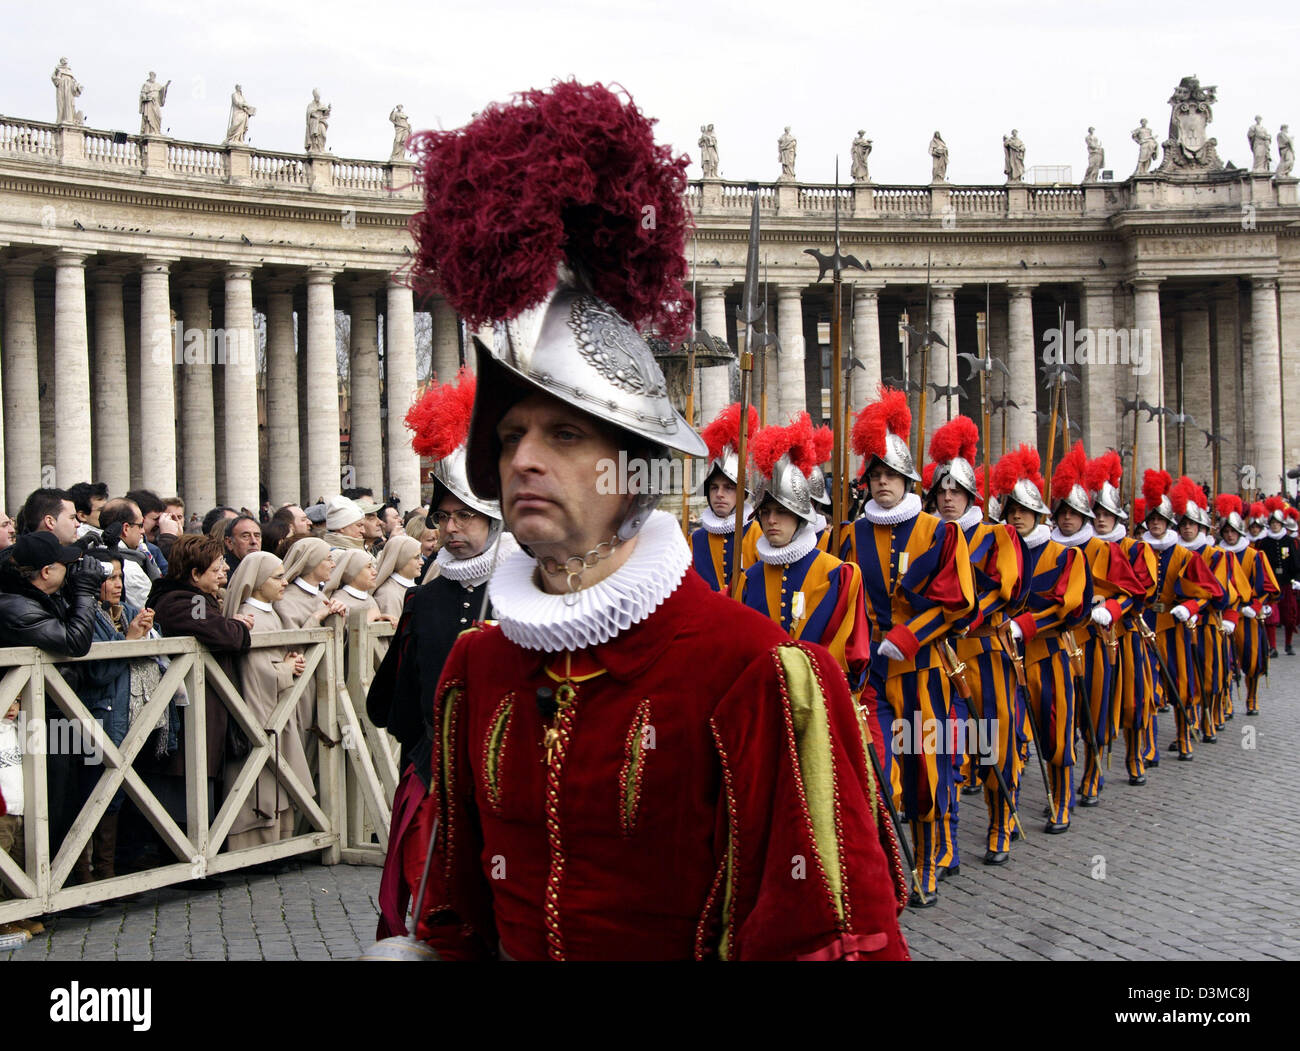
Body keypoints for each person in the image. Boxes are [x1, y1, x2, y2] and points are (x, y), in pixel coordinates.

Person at [392, 80, 908, 959]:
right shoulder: (477, 669)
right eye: (511, 434)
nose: (523, 458)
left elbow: (825, 940)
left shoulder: (757, 675)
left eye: (561, 433)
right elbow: (455, 918)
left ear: (633, 466)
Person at [369, 368, 520, 939]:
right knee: (434, 904)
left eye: (466, 517)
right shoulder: (424, 598)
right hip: (434, 774)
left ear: (494, 519)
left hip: (507, 774)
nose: (451, 529)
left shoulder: (523, 591)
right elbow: (392, 700)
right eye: (445, 517)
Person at [840, 386, 974, 903]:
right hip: (870, 671)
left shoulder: (940, 534)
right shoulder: (850, 535)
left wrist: (908, 636)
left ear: (906, 480)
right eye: (874, 477)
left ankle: (933, 858)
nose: (881, 484)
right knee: (878, 766)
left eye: (889, 476)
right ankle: (889, 863)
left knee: (925, 766)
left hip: (921, 668)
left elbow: (955, 602)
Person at [926, 417, 1025, 867]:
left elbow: (1005, 587)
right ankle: (945, 838)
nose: (947, 498)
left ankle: (999, 821)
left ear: (970, 496)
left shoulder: (995, 535)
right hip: (939, 655)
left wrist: (964, 615)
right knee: (941, 746)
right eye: (941, 492)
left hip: (984, 651)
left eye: (956, 492)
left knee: (995, 743)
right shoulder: (928, 537)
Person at [989, 445, 1090, 833]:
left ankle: (1061, 798)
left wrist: (1026, 625)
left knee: (1056, 730)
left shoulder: (1066, 557)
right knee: (1009, 734)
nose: (1017, 515)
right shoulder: (997, 551)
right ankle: (1007, 807)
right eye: (1011, 509)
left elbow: (1070, 607)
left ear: (1037, 513)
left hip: (1047, 655)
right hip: (1002, 656)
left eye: (1024, 509)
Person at [741, 414, 870, 690]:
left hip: (824, 701)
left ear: (800, 516)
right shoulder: (749, 580)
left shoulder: (839, 574)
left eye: (781, 512)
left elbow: (850, 655)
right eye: (765, 513)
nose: (771, 520)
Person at [1047, 443, 1143, 808]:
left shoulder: (1105, 550)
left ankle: (1092, 772)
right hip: (1056, 644)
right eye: (1062, 512)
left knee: (1094, 709)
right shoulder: (1050, 548)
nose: (1067, 518)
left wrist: (1112, 609)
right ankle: (1063, 786)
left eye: (1074, 512)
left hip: (1093, 641)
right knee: (1061, 717)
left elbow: (1133, 594)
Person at [0, 531, 102, 864]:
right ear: (45, 572)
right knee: (51, 801)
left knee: (71, 796)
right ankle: (43, 886)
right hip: (36, 719)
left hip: (58, 712)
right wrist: (86, 591)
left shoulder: (39, 596)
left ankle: (63, 881)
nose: (73, 570)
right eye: (65, 565)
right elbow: (74, 641)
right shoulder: (15, 606)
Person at [144, 536, 253, 831]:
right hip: (187, 712)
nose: (225, 573)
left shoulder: (193, 598)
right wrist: (239, 627)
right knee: (183, 794)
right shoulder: (181, 600)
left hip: (203, 710)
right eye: (217, 569)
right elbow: (219, 632)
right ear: (194, 574)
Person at [222, 552, 313, 853]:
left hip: (278, 705)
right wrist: (287, 669)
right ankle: (255, 845)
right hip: (261, 708)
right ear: (258, 581)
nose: (284, 581)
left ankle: (279, 843)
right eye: (277, 576)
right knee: (260, 780)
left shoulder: (270, 612)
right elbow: (257, 671)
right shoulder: (253, 614)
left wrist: (287, 662)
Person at [1137, 471, 1222, 762]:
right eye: (1152, 520)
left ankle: (1184, 735)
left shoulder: (1186, 556)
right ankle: (1149, 746)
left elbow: (1208, 591)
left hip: (1174, 625)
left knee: (1181, 682)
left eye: (1161, 519)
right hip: (1145, 623)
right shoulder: (1138, 550)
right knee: (1146, 684)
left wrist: (1190, 607)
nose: (1156, 524)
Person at [1087, 452, 1157, 786]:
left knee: (1132, 700)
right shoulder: (1083, 547)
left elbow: (1140, 590)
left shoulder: (1134, 549)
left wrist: (1112, 605)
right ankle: (1093, 769)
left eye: (1107, 515)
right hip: (1090, 636)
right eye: (1097, 514)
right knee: (1095, 705)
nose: (1101, 520)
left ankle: (1133, 756)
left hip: (1125, 633)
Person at [1217, 495, 1278, 715]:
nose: (1230, 535)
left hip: (1247, 614)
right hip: (1224, 614)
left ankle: (1252, 697)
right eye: (1226, 532)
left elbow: (1265, 586)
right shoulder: (1217, 554)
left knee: (1252, 660)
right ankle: (1227, 700)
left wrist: (1255, 605)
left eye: (1233, 531)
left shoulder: (1254, 556)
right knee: (1225, 660)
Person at [690, 403, 761, 593]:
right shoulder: (696, 539)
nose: (719, 494)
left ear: (742, 494)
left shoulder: (758, 535)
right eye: (714, 488)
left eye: (729, 488)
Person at [97, 498, 158, 609]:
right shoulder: (130, 568)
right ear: (125, 528)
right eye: (140, 525)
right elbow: (150, 610)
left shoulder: (94, 551)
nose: (143, 531)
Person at [372, 534, 422, 622]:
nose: (422, 562)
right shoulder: (388, 594)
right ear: (401, 559)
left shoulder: (412, 586)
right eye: (416, 557)